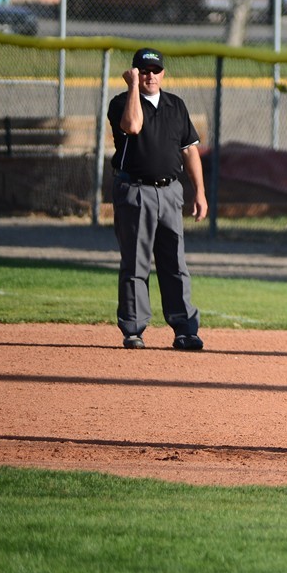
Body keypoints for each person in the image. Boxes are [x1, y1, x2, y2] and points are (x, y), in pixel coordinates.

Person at [107, 47, 207, 351]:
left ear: (163, 73)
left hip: (170, 192)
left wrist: (199, 192)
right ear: (134, 72)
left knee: (175, 263)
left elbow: (189, 150)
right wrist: (132, 87)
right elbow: (132, 126)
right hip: (135, 191)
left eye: (155, 70)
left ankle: (185, 329)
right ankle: (133, 329)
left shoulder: (176, 105)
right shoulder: (122, 102)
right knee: (136, 263)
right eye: (144, 71)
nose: (150, 76)